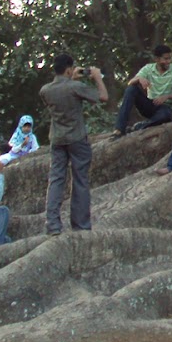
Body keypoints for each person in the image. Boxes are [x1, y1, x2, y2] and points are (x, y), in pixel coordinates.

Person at [40, 55, 107, 234]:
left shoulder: (45, 90)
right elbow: (103, 97)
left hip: (57, 139)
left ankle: (53, 225)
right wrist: (97, 77)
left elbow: (63, 91)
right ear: (69, 69)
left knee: (55, 180)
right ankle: (80, 225)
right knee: (80, 181)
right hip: (77, 138)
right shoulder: (75, 86)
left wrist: (71, 78)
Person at [114, 44, 172, 134]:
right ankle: (119, 129)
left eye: (170, 58)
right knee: (131, 89)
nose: (168, 61)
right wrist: (139, 78)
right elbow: (130, 83)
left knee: (165, 115)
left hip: (165, 107)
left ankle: (139, 127)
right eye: (165, 59)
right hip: (150, 104)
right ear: (157, 59)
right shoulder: (148, 68)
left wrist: (166, 97)